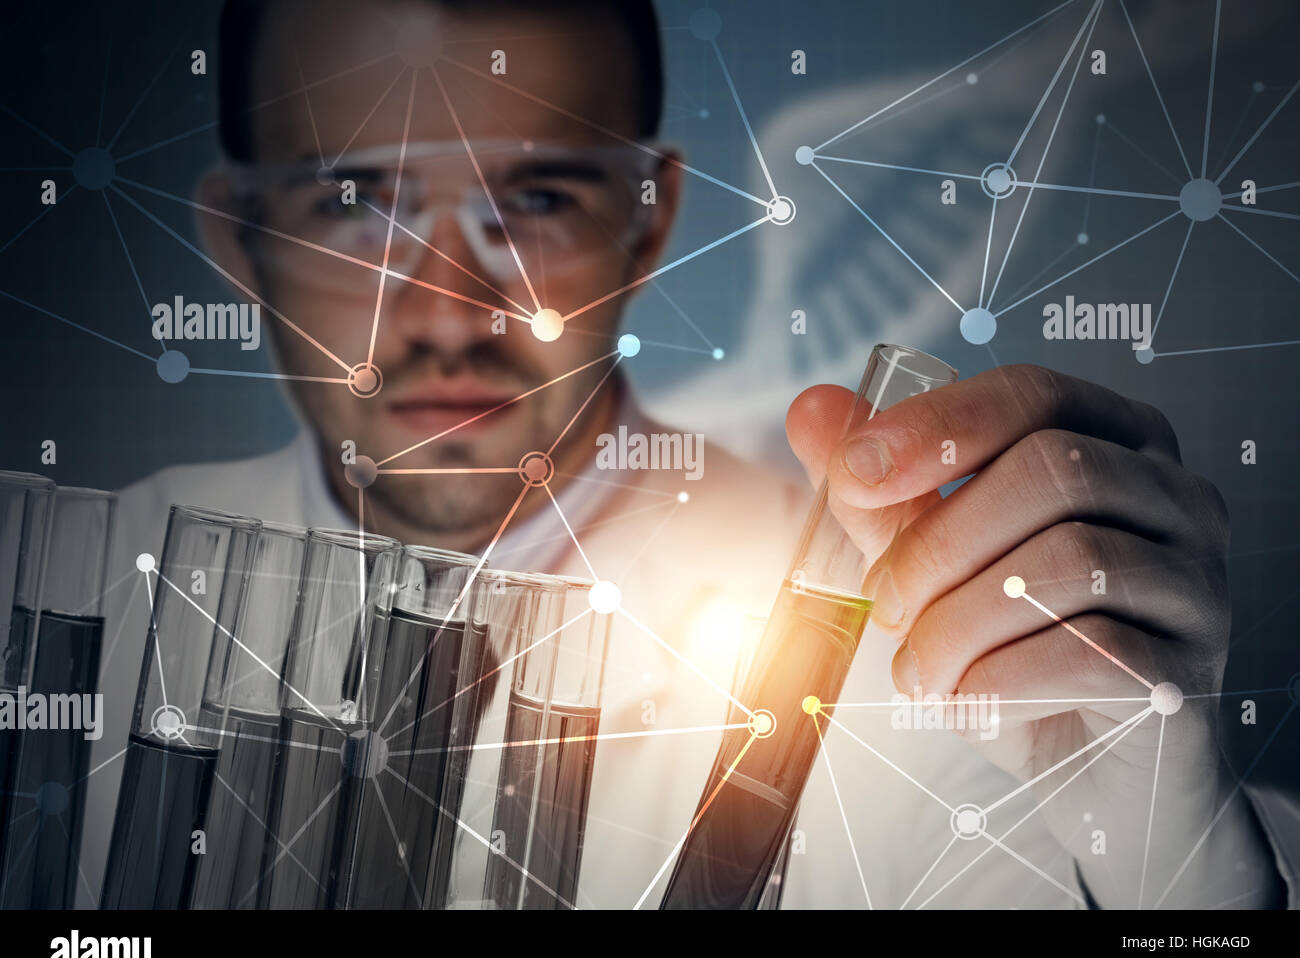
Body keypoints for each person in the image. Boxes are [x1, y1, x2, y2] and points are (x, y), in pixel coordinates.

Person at [80, 0, 1290, 909]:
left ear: (648, 218)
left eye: (535, 201)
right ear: (239, 239)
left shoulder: (903, 647)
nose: (448, 309)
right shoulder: (68, 593)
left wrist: (1168, 863)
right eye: (355, 202)